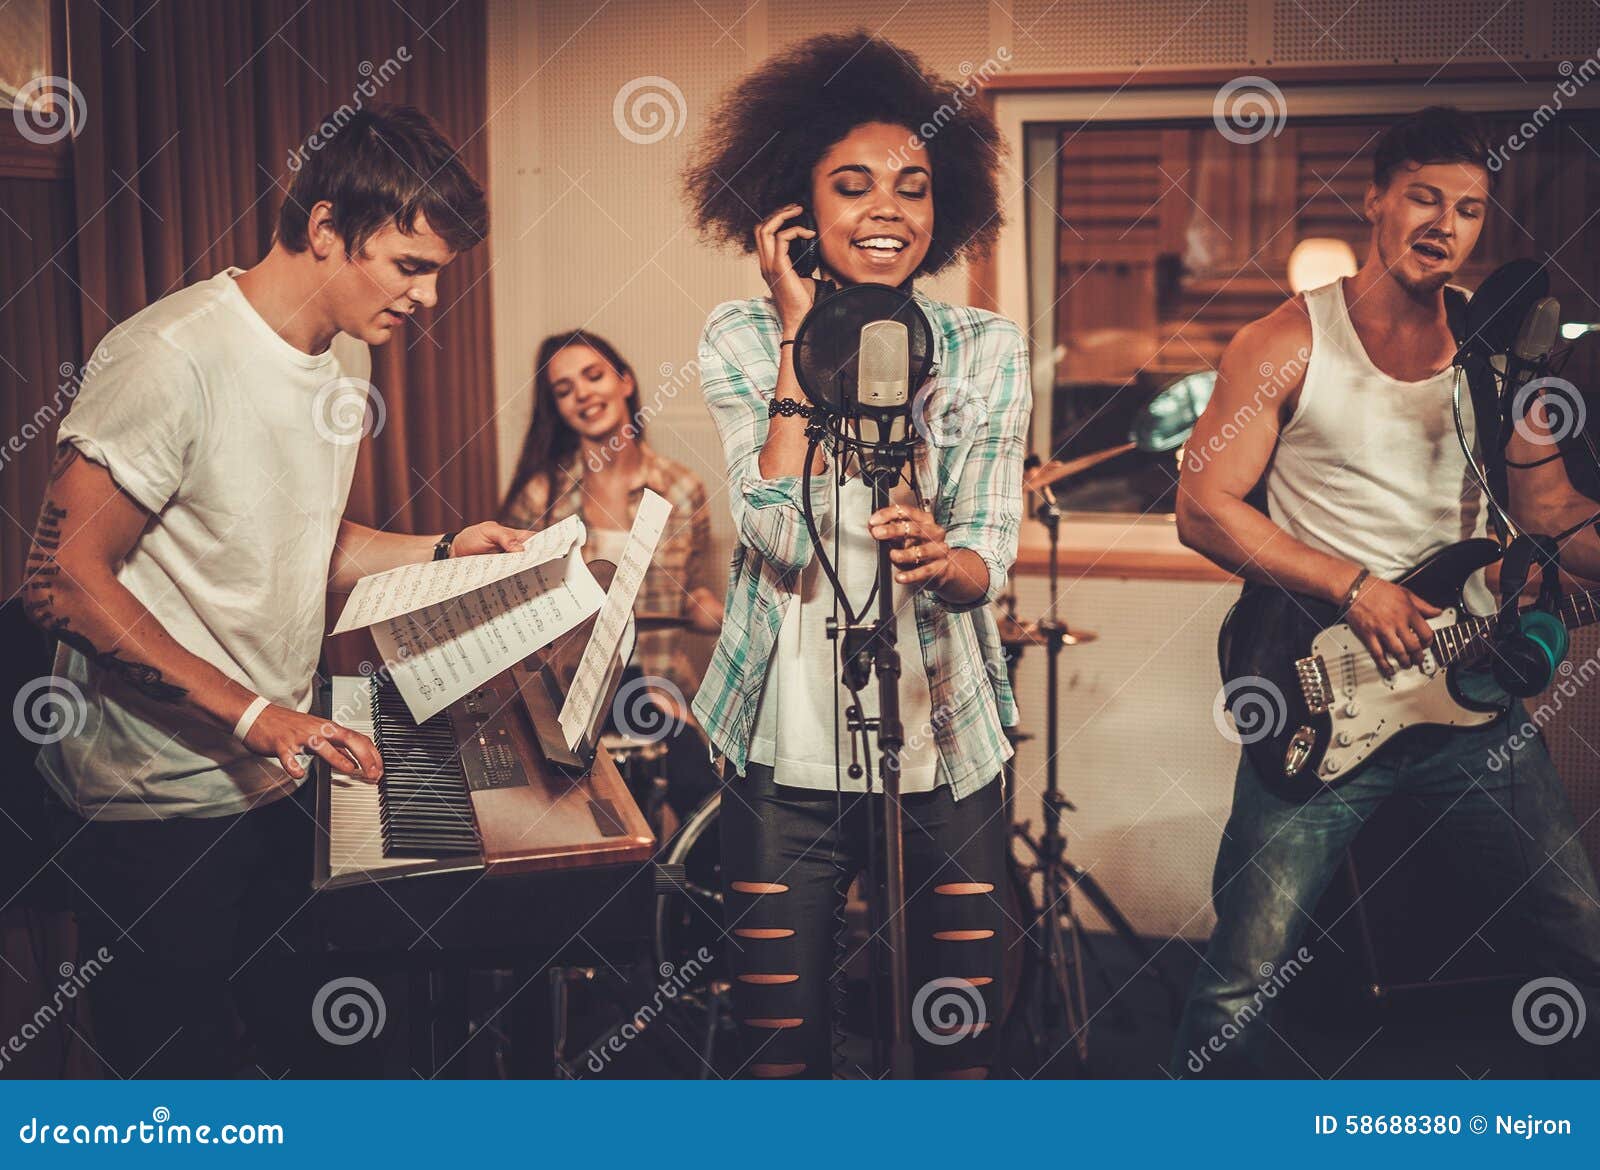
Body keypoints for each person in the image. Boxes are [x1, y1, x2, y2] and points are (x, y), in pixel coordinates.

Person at [22, 104, 527, 1078]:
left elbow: (296, 540)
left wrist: (445, 548)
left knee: (321, 1055)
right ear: (327, 228)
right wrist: (254, 713)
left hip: (275, 772)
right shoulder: (170, 358)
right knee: (178, 1094)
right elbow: (61, 581)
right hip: (155, 806)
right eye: (410, 266)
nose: (429, 296)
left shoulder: (346, 354)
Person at [1173, 106, 1600, 1076]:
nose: (1445, 224)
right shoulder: (1285, 341)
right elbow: (1201, 508)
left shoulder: (1498, 357)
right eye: (1424, 198)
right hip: (1328, 693)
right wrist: (1356, 586)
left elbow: (1549, 509)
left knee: (1576, 930)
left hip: (1470, 701)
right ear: (1373, 201)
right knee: (1242, 977)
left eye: (1469, 209)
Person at [683, 31, 1030, 1078]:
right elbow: (780, 532)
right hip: (782, 749)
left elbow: (989, 555)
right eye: (854, 185)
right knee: (778, 1053)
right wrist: (800, 336)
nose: (888, 209)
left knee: (956, 1047)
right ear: (796, 208)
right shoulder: (741, 337)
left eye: (913, 187)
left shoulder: (986, 349)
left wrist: (942, 558)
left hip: (942, 741)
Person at [500, 329, 724, 820]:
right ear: (557, 409)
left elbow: (691, 592)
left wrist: (722, 614)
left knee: (712, 813)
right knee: (598, 823)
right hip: (572, 695)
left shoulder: (682, 489)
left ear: (625, 381)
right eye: (564, 390)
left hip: (663, 686)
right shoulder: (540, 498)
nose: (582, 393)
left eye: (593, 376)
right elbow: (519, 617)